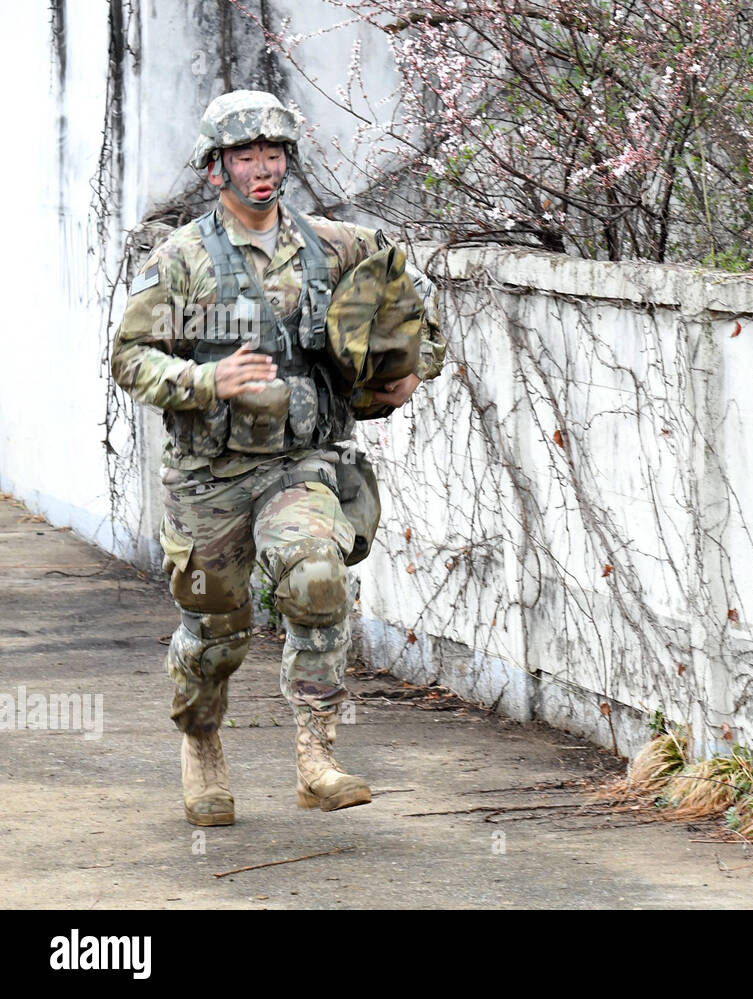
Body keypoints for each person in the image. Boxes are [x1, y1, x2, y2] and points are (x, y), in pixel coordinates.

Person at [111, 90, 443, 826]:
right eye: (244, 156)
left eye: (272, 154)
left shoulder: (334, 245)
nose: (261, 169)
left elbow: (410, 306)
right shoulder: (182, 261)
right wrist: (205, 379)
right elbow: (129, 359)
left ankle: (317, 754)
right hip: (210, 477)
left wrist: (416, 367)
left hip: (301, 462)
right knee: (212, 632)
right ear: (215, 169)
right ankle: (201, 742)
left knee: (318, 578)